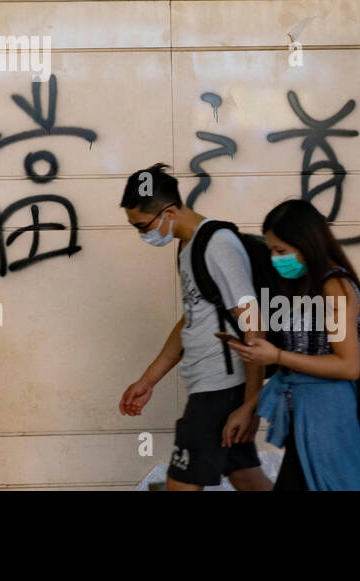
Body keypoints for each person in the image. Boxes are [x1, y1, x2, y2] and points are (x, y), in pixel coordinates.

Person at [117, 163, 272, 491]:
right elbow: (192, 319)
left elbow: (252, 322)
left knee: (181, 485)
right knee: (247, 478)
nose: (141, 233)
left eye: (142, 225)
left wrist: (250, 403)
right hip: (212, 386)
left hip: (221, 389)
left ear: (169, 211)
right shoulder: (187, 246)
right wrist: (148, 380)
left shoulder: (217, 243)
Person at [227, 199, 360, 490]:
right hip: (306, 420)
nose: (275, 258)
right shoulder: (308, 287)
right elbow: (300, 367)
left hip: (326, 421)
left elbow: (348, 365)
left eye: (281, 250)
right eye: (271, 251)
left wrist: (277, 355)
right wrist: (249, 407)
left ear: (307, 243)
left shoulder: (334, 287)